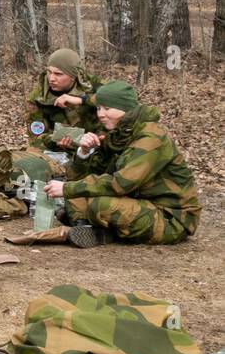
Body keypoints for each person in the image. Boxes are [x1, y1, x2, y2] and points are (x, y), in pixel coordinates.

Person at [42, 80, 200, 247]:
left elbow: (121, 184)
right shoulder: (118, 133)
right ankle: (85, 226)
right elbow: (87, 176)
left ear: (125, 108)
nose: (100, 114)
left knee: (99, 205)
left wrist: (67, 188)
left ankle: (97, 229)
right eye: (98, 108)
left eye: (107, 108)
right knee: (77, 195)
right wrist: (84, 153)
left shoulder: (151, 138)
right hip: (138, 201)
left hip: (170, 217)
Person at [25, 48, 104, 150]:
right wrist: (54, 140)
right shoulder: (38, 98)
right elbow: (36, 139)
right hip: (59, 152)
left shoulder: (92, 84)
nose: (51, 79)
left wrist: (83, 100)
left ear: (73, 76)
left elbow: (118, 100)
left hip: (96, 145)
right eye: (49, 72)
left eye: (58, 74)